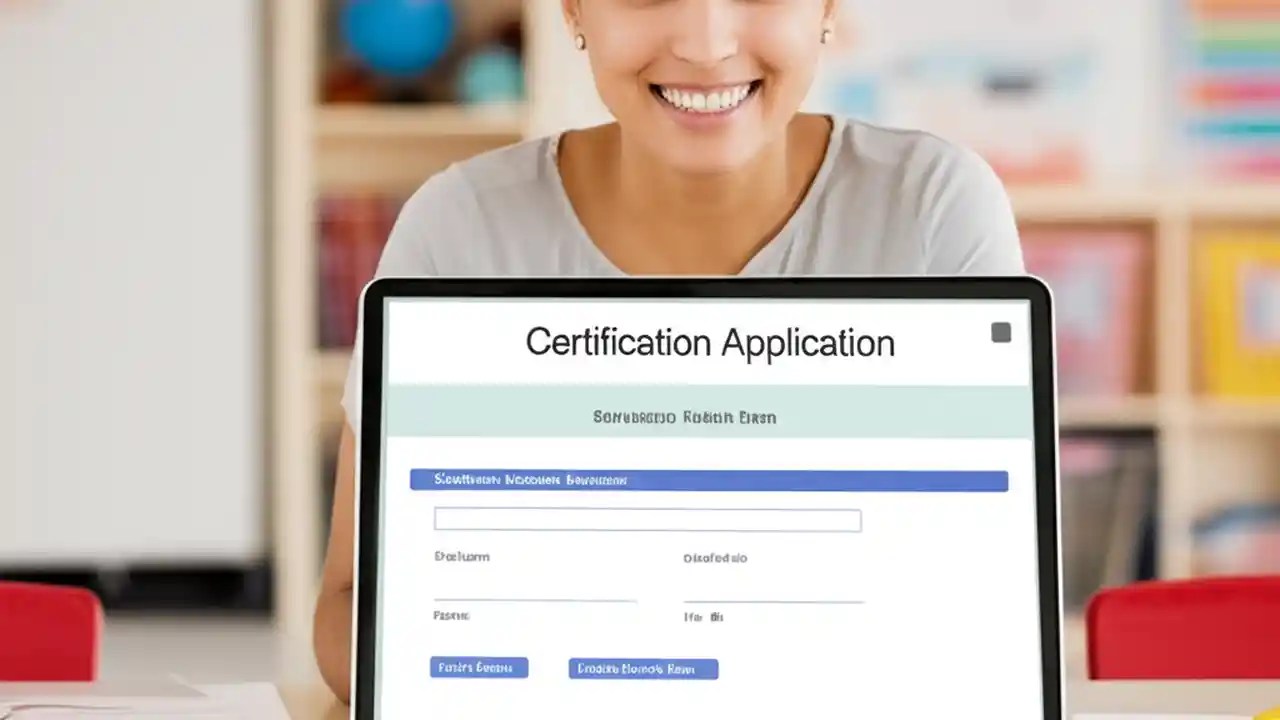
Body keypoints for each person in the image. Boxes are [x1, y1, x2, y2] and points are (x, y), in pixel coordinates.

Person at [313, 0, 1025, 702]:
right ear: (573, 12)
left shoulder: (933, 210)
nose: (706, 43)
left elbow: (990, 619)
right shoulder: (460, 232)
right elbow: (350, 605)